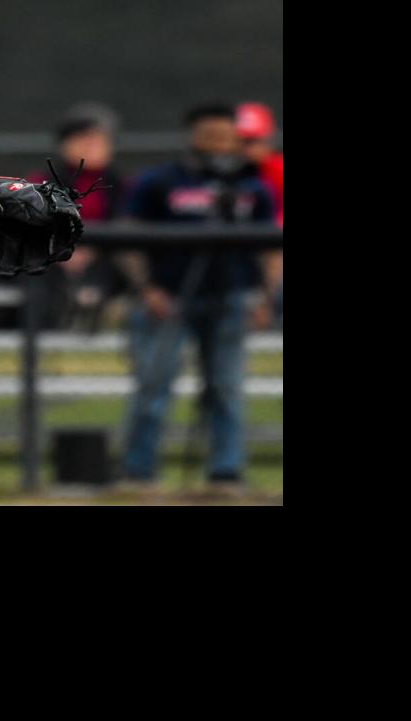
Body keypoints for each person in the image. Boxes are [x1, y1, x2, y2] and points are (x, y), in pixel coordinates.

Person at [115, 103, 275, 492]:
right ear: (193, 135)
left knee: (225, 389)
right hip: (168, 299)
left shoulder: (251, 187)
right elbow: (126, 239)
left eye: (226, 135)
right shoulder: (160, 182)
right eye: (211, 134)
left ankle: (225, 473)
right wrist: (146, 288)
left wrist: (266, 297)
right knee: (154, 385)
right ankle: (139, 474)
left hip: (230, 298)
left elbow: (270, 248)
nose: (220, 143)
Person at [25, 103, 129, 333]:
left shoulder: (119, 184)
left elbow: (124, 224)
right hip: (54, 257)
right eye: (85, 140)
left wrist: (91, 250)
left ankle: (89, 309)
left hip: (102, 257)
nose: (94, 147)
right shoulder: (43, 180)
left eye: (101, 141)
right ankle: (53, 325)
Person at [236, 101, 283, 330]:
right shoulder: (234, 174)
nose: (247, 148)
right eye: (242, 142)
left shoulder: (277, 170)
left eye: (253, 141)